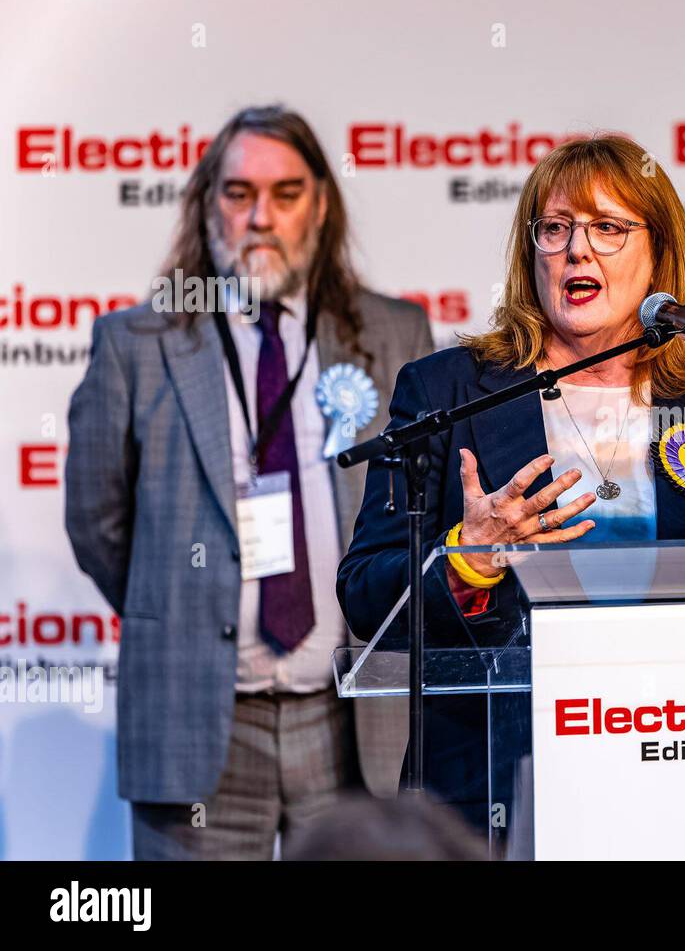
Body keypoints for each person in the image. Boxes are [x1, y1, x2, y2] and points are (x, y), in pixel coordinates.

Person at [338, 135, 685, 834]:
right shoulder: (447, 393)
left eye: (608, 228)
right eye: (555, 227)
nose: (577, 249)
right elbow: (366, 593)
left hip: (683, 775)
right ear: (531, 252)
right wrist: (466, 559)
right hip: (494, 789)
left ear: (660, 255)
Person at [65, 105, 434, 860]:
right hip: (199, 721)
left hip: (352, 717)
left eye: (286, 193)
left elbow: (422, 516)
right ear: (207, 205)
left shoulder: (397, 332)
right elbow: (98, 522)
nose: (260, 217)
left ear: (322, 205)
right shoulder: (134, 344)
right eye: (238, 194)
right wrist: (182, 610)